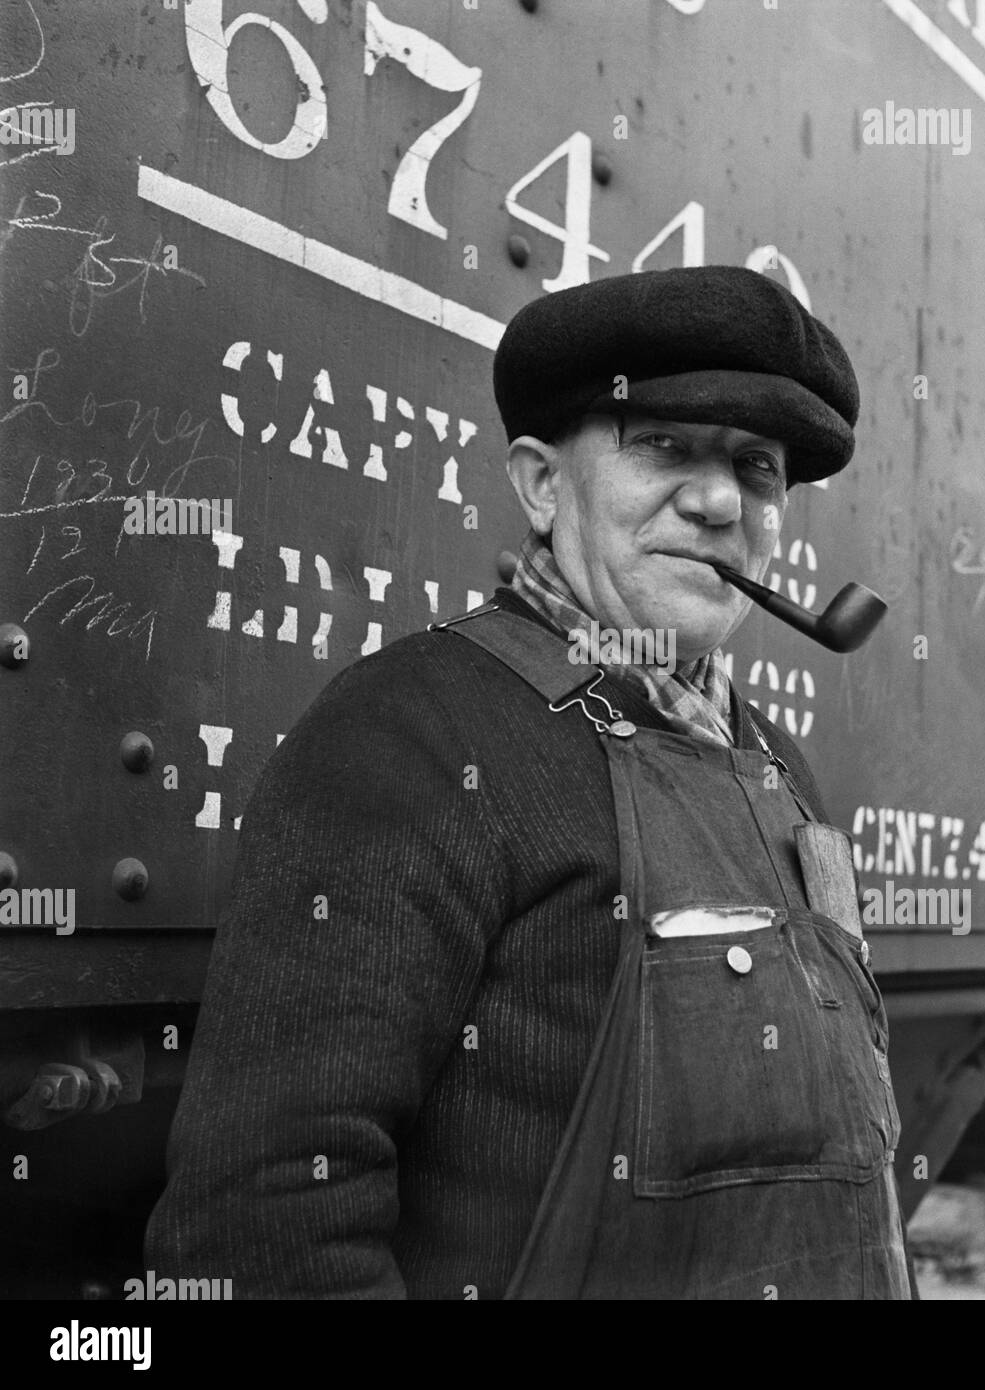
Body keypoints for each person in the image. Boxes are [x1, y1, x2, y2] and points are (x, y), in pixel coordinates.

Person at [145, 264, 914, 1299]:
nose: (719, 499)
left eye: (756, 466)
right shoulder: (408, 735)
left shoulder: (780, 768)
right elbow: (264, 1224)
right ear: (542, 484)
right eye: (665, 446)